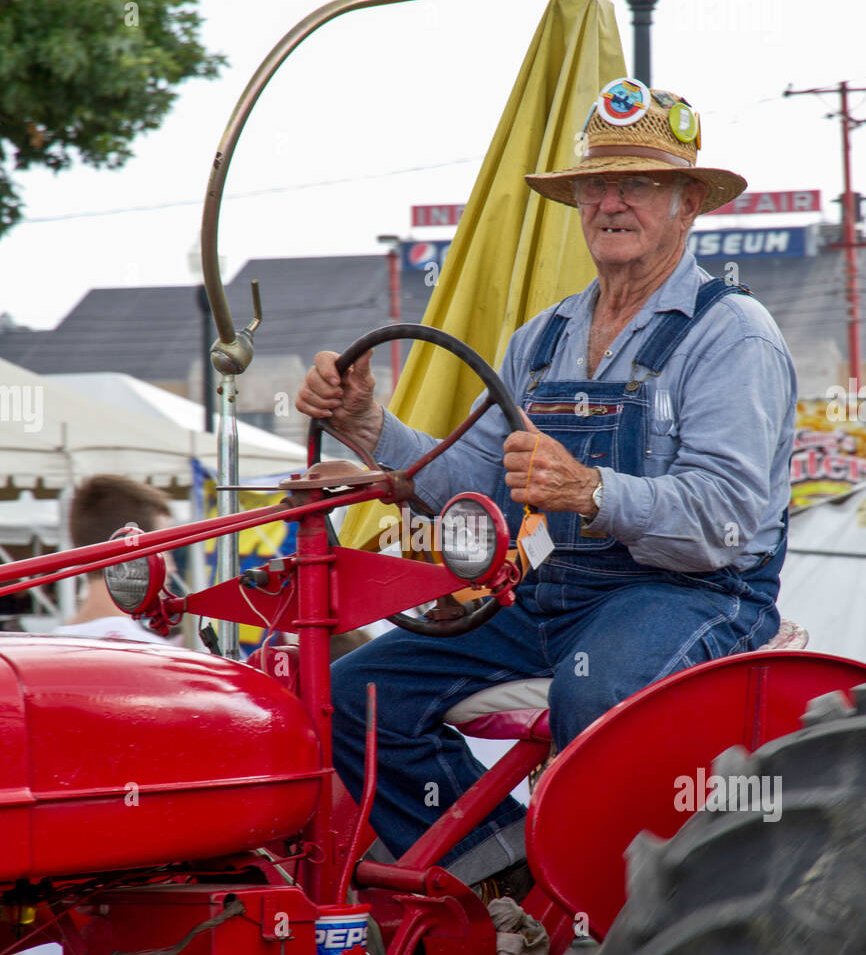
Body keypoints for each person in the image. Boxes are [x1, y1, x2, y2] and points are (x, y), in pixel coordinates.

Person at [296, 80, 797, 888]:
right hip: (545, 593)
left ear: (687, 202)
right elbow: (476, 477)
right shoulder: (544, 336)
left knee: (593, 695)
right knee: (351, 697)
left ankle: (605, 923)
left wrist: (593, 491)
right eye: (596, 184)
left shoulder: (733, 335)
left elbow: (728, 521)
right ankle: (506, 889)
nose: (611, 201)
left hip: (693, 594)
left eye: (637, 182)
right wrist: (366, 425)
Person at [53, 475, 178, 643]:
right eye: (163, 550)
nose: (171, 567)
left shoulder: (41, 649)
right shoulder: (155, 653)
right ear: (134, 557)